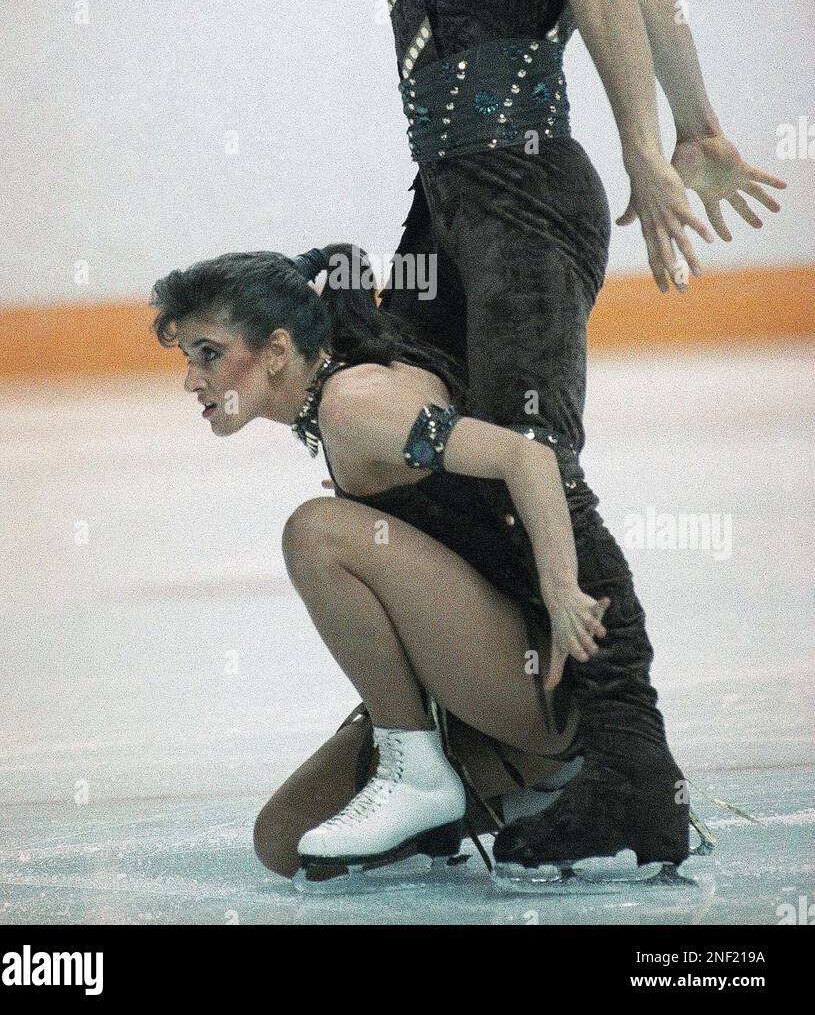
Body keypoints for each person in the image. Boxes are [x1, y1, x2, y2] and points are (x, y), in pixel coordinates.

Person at [272, 0, 785, 876]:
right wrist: (699, 121)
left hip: (507, 201)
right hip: (461, 205)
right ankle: (463, 717)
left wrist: (652, 157)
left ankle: (628, 768)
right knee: (421, 431)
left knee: (532, 458)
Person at [150, 244, 617, 880]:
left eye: (210, 353)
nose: (192, 380)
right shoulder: (338, 407)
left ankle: (428, 772)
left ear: (278, 351)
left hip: (541, 685)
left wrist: (564, 597)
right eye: (188, 358)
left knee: (316, 533)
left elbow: (527, 459)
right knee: (285, 842)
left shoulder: (355, 406)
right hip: (484, 682)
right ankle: (522, 797)